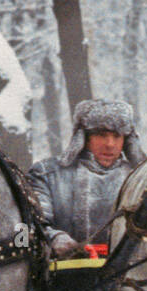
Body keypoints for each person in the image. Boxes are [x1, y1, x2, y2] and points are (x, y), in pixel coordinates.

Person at [30, 99, 139, 258]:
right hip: (63, 276)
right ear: (83, 137)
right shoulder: (47, 174)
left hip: (129, 278)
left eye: (117, 136)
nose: (110, 144)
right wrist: (54, 238)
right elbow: (32, 224)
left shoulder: (139, 179)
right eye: (101, 135)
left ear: (127, 140)